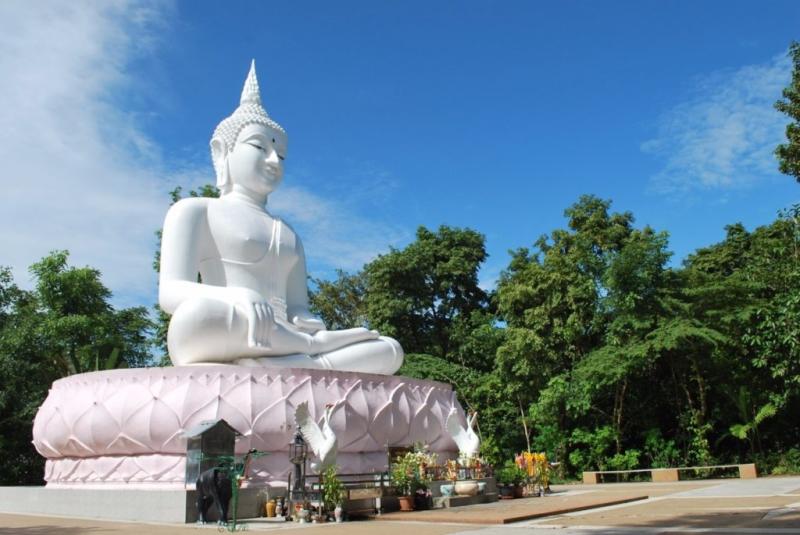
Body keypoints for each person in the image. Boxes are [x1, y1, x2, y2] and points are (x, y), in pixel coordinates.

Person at [158, 61, 403, 375]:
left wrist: (307, 322)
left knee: (390, 348)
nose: (274, 160)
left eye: (281, 154)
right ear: (221, 152)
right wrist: (238, 296)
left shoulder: (287, 232)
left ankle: (301, 360)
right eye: (259, 146)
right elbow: (171, 293)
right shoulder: (195, 211)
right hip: (233, 325)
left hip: (283, 335)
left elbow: (298, 308)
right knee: (193, 320)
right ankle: (310, 354)